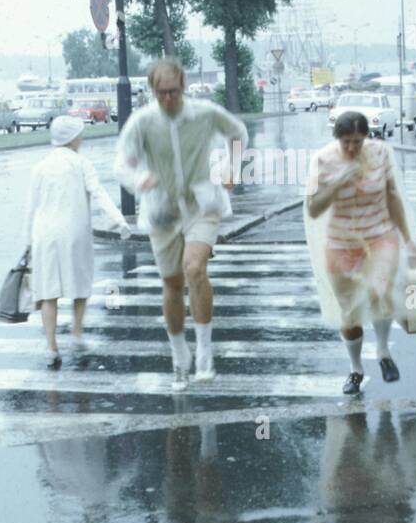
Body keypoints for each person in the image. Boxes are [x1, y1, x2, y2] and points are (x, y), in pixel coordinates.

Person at [115, 58, 248, 390]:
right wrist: (138, 178)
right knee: (172, 284)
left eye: (173, 91)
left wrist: (233, 166)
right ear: (152, 91)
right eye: (161, 93)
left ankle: (204, 350)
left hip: (201, 203)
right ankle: (179, 356)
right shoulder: (142, 122)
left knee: (195, 269)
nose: (168, 99)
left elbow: (237, 132)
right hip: (162, 210)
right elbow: (122, 163)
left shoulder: (204, 113)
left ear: (184, 85)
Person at [304, 111, 416, 396]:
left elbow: (393, 196)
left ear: (366, 138)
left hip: (379, 237)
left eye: (357, 141)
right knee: (349, 312)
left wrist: (408, 238)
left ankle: (383, 353)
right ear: (337, 139)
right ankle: (356, 369)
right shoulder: (321, 160)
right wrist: (336, 183)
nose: (352, 148)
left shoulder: (381, 154)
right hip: (340, 243)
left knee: (380, 294)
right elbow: (313, 208)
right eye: (346, 142)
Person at [23, 115, 132, 369]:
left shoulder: (40, 167)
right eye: (79, 134)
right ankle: (77, 332)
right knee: (80, 285)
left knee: (48, 292)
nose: (82, 138)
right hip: (74, 232)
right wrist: (119, 222)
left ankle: (51, 347)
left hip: (44, 234)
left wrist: (27, 240)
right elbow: (99, 193)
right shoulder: (81, 164)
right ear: (72, 138)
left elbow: (30, 207)